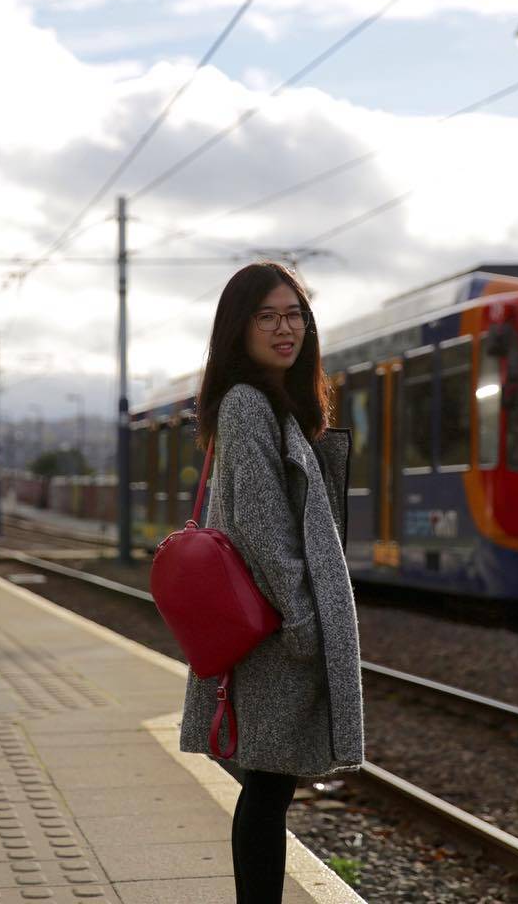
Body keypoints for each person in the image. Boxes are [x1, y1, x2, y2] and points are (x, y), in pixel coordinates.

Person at [179, 260, 363, 903]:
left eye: (295, 314)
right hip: (275, 631)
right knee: (266, 788)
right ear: (240, 327)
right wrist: (304, 621)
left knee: (269, 786)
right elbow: (262, 527)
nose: (286, 328)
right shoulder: (247, 405)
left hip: (275, 626)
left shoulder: (270, 401)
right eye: (268, 316)